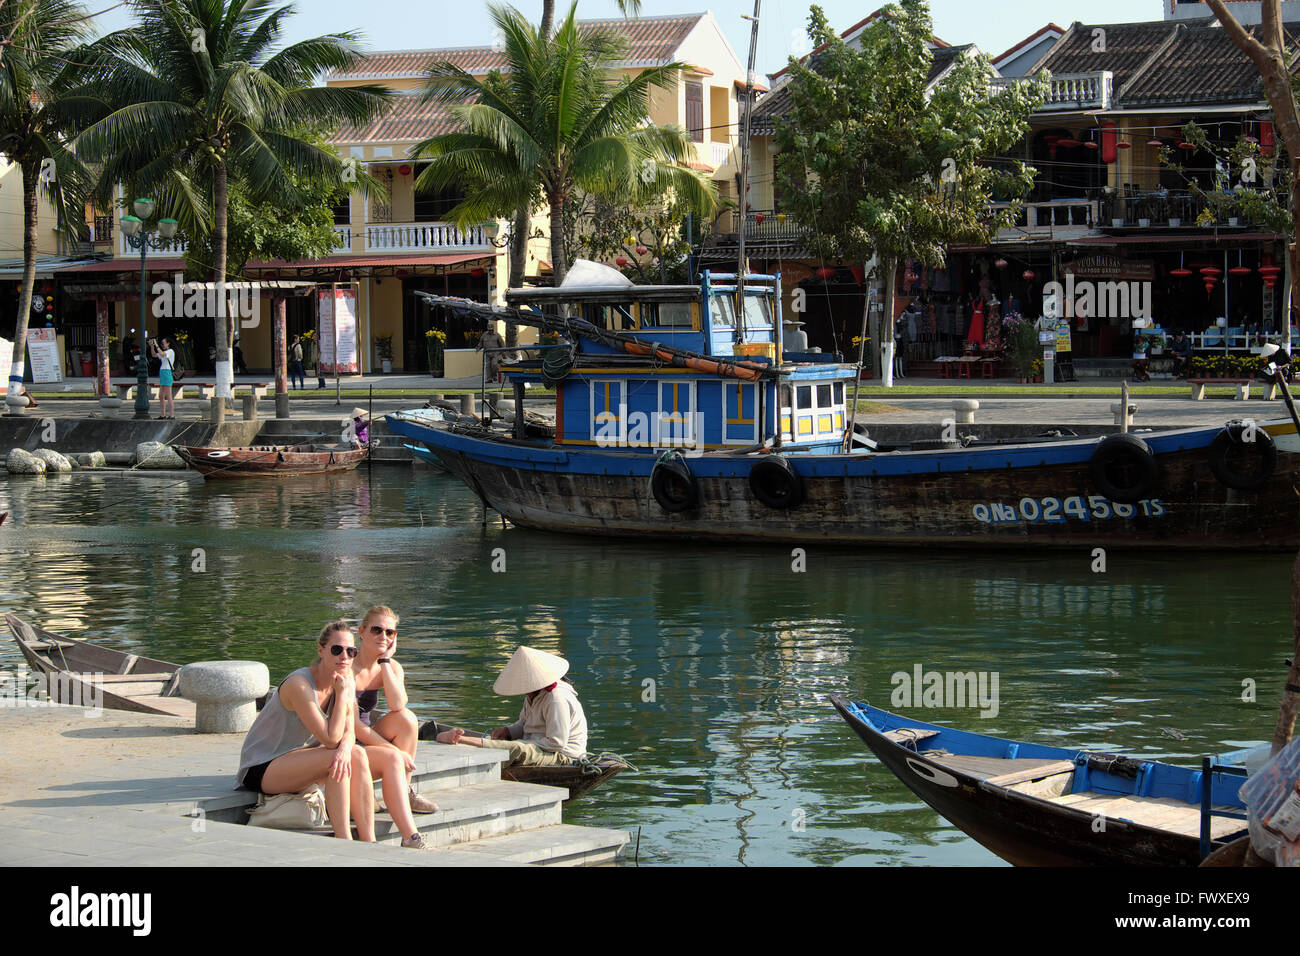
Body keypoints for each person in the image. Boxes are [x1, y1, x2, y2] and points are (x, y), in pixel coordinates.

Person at [235, 620, 431, 849]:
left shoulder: (345, 680)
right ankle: (344, 841)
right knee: (339, 756)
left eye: (351, 651)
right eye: (337, 650)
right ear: (321, 650)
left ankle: (392, 840)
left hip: (306, 758)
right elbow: (330, 738)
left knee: (376, 756)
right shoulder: (299, 685)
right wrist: (342, 696)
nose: (344, 657)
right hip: (263, 766)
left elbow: (348, 732)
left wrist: (347, 746)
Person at [434, 646, 587, 768]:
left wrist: (519, 743)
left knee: (518, 749)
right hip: (540, 746)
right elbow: (523, 724)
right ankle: (465, 740)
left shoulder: (556, 699)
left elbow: (556, 743)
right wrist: (508, 731)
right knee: (501, 742)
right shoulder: (533, 694)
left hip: (563, 757)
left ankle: (460, 739)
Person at [350, 606, 438, 813]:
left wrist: (385, 661)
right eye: (376, 630)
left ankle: (403, 791)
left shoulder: (391, 666)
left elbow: (397, 705)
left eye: (390, 632)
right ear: (361, 632)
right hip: (341, 742)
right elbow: (353, 727)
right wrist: (396, 753)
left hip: (366, 739)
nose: (383, 636)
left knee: (406, 718)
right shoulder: (346, 664)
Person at [149, 337, 176, 419]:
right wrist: (152, 346)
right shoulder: (163, 352)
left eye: (163, 343)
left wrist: (156, 345)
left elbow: (163, 354)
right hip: (162, 372)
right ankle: (163, 414)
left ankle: (172, 415)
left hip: (167, 372)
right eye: (161, 344)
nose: (162, 345)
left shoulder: (170, 351)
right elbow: (154, 355)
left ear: (168, 344)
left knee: (168, 395)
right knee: (161, 395)